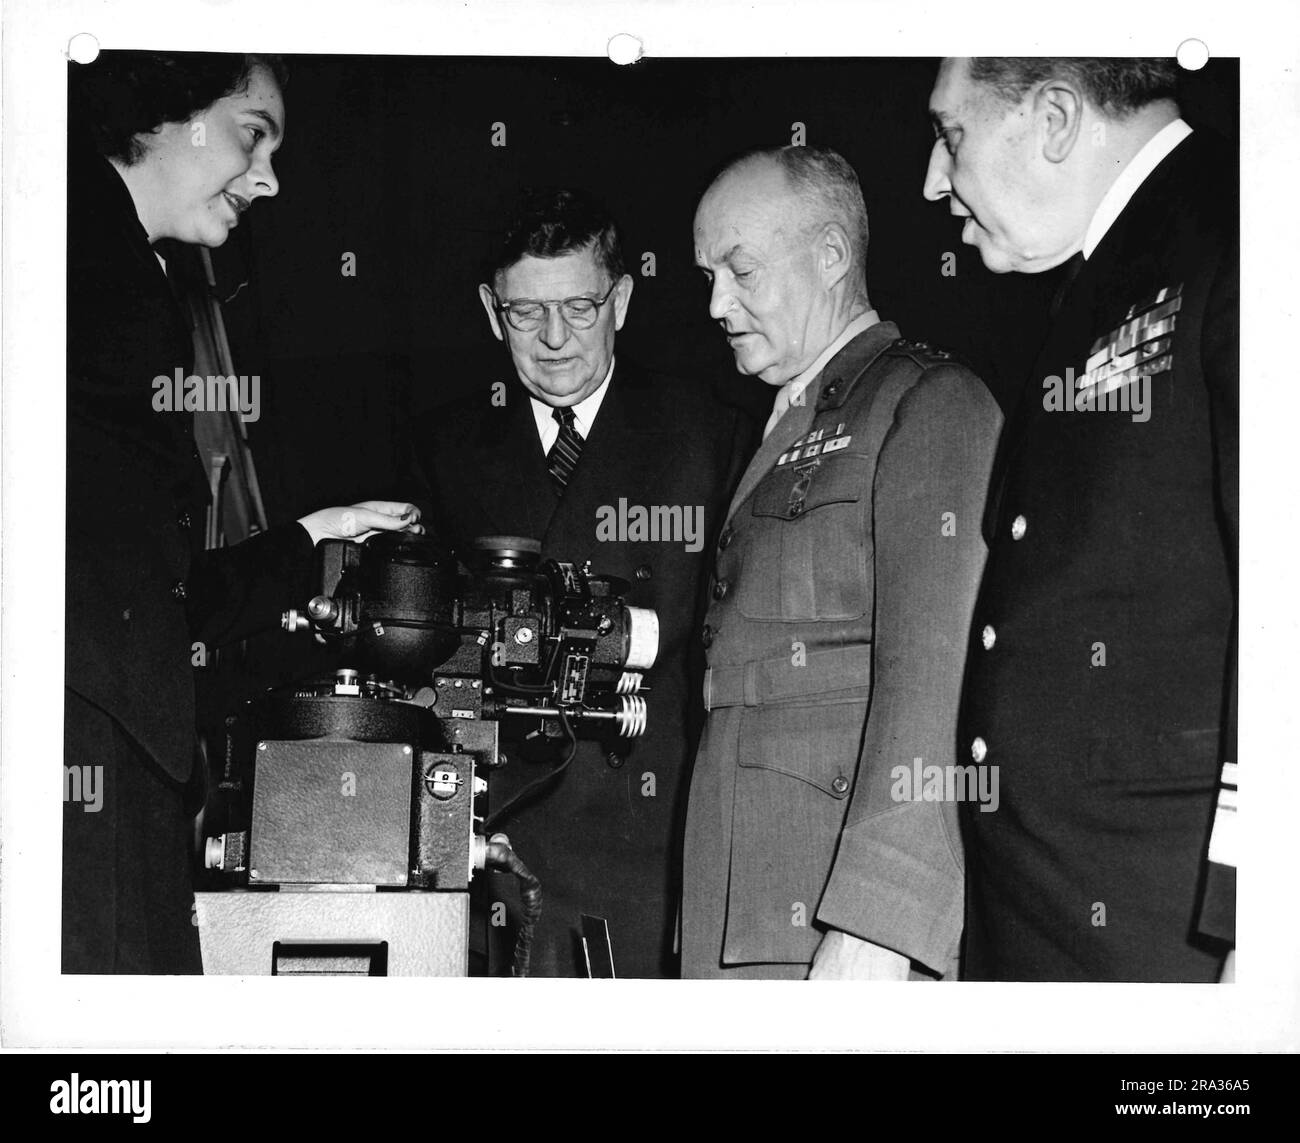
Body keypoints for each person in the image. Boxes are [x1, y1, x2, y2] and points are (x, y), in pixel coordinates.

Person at [66, 51, 423, 973]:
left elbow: (160, 587)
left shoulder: (133, 278)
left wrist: (315, 537)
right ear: (168, 109)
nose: (267, 179)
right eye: (251, 135)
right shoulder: (67, 255)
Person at [924, 57, 1237, 981]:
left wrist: (1262, 928)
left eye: (952, 137)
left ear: (1056, 119)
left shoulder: (1249, 222)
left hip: (1164, 929)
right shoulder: (1101, 277)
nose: (933, 182)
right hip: (1053, 919)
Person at [410, 188, 755, 977]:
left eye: (579, 306)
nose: (555, 338)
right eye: (526, 313)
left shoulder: (711, 434)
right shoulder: (442, 451)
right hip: (496, 854)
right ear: (492, 311)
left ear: (623, 300)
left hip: (653, 852)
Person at [680, 145, 1003, 979]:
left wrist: (881, 925)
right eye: (707, 276)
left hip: (833, 930)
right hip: (743, 908)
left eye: (740, 270)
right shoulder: (782, 424)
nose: (716, 303)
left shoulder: (928, 402)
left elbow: (936, 679)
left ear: (829, 256)